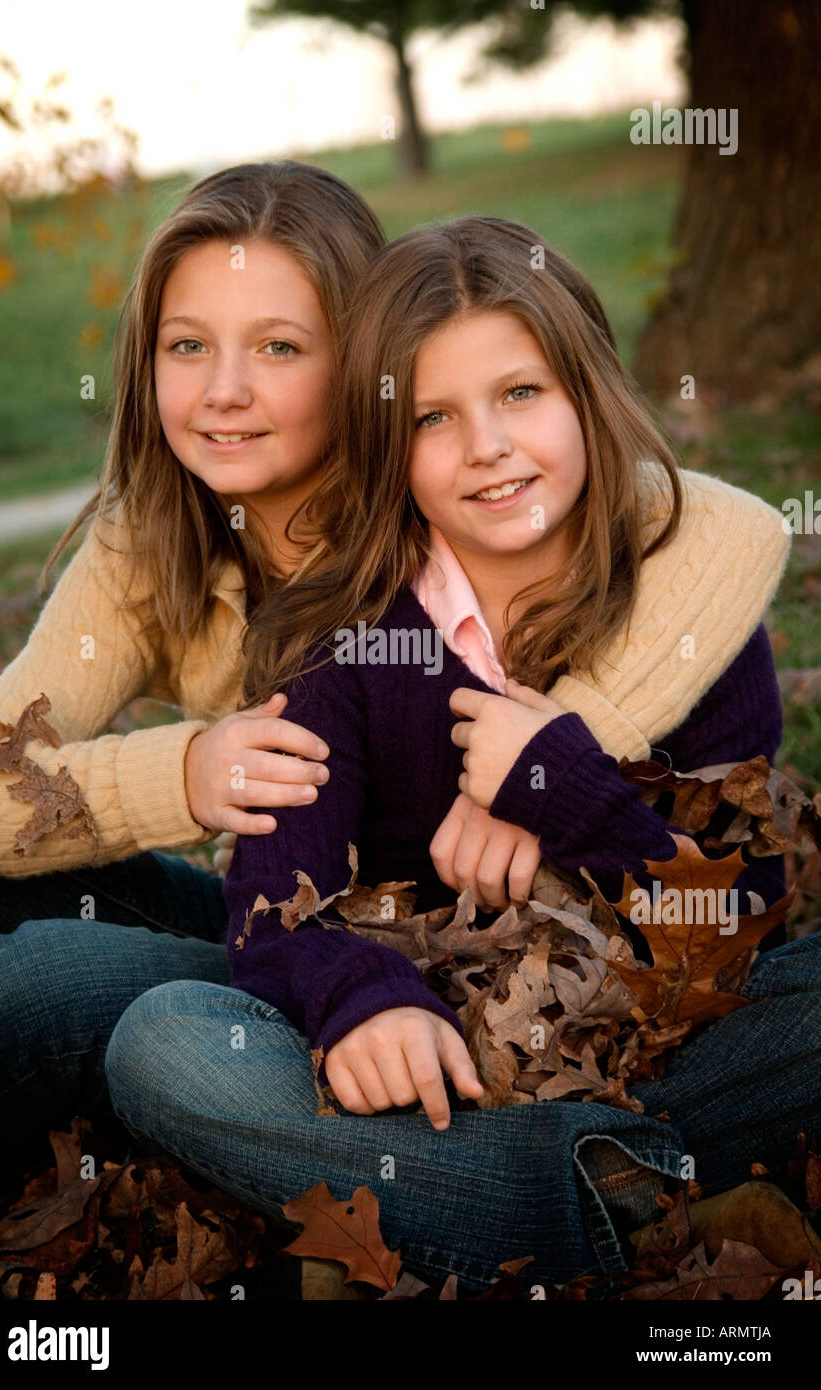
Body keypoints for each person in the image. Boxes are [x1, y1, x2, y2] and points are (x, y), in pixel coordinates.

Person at [0, 167, 764, 1220]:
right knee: (14, 926)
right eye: (186, 344)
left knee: (58, 989)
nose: (222, 391)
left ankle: (547, 1174)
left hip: (500, 950)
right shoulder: (160, 548)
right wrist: (188, 772)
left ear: (369, 365)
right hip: (307, 918)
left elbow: (727, 528)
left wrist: (557, 753)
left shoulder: (474, 501)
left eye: (280, 346)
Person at [104, 217, 816, 1295]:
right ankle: (609, 1206)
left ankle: (509, 1196)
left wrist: (564, 789)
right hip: (435, 1069)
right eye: (434, 417)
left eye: (519, 394)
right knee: (165, 1043)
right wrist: (359, 990)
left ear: (586, 393)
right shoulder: (345, 633)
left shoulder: (687, 608)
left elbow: (736, 916)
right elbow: (265, 903)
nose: (486, 445)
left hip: (669, 1042)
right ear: (385, 448)